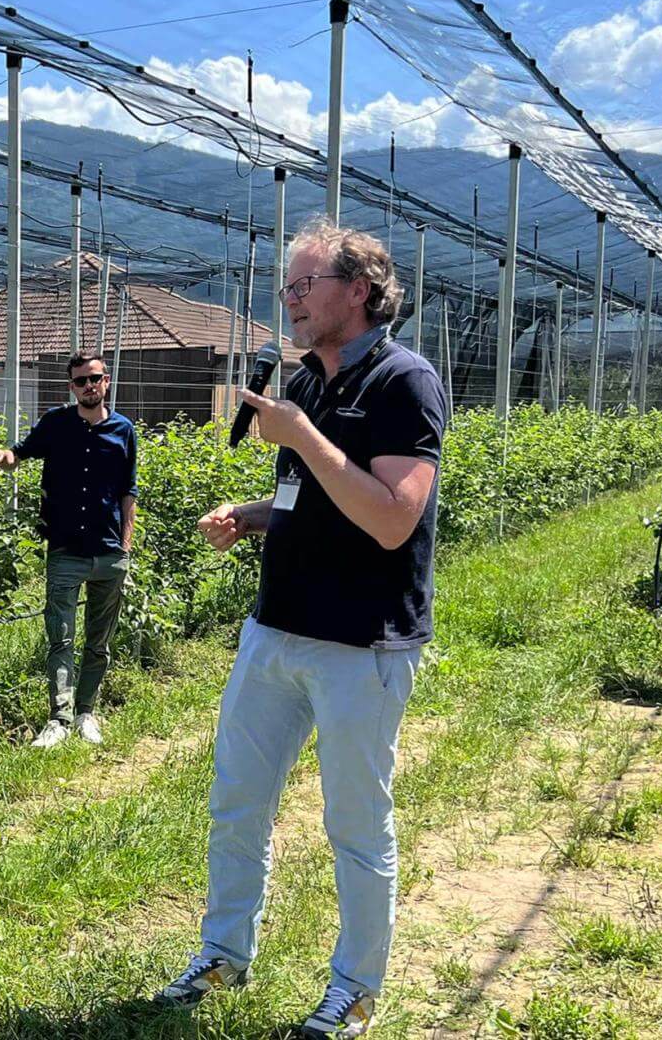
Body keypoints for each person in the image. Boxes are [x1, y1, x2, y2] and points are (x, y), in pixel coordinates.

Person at [155, 219, 445, 1039]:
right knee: (237, 801)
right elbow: (314, 499)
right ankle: (224, 952)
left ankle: (354, 989)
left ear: (358, 291)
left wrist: (303, 436)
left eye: (302, 284)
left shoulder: (404, 382)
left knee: (355, 824)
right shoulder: (309, 380)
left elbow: (392, 519)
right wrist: (251, 516)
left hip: (363, 643)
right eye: (287, 285)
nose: (289, 298)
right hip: (277, 628)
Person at [0, 350, 137, 749]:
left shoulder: (123, 430)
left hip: (107, 552)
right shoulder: (55, 424)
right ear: (72, 387)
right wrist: (4, 457)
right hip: (65, 550)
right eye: (81, 380)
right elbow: (22, 452)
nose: (89, 386)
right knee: (61, 638)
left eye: (95, 378)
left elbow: (127, 491)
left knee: (98, 642)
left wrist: (126, 546)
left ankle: (87, 712)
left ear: (106, 382)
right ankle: (59, 718)